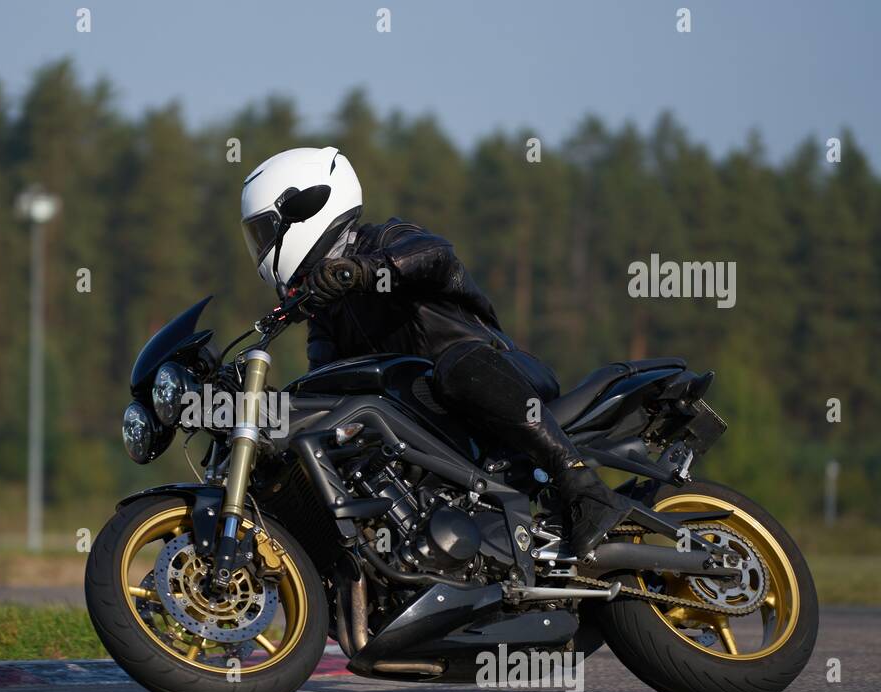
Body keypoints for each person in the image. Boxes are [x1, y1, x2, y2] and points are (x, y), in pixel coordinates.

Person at [239, 146, 630, 558]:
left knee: (453, 365)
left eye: (266, 233)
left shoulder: (383, 240)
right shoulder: (326, 313)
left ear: (304, 208)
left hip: (497, 380)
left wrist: (364, 271)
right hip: (433, 435)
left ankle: (582, 485)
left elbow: (436, 257)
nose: (262, 248)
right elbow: (324, 389)